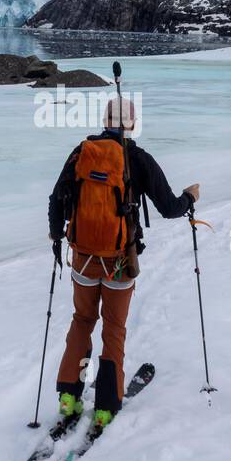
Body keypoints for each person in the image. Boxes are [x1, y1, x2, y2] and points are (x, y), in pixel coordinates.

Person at [47, 97, 198, 431]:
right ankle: (105, 406)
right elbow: (170, 207)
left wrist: (57, 237)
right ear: (131, 123)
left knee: (82, 320)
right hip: (119, 262)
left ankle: (69, 396)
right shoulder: (137, 159)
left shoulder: (80, 153)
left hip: (83, 260)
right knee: (113, 328)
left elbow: (56, 199)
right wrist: (190, 197)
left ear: (104, 120)